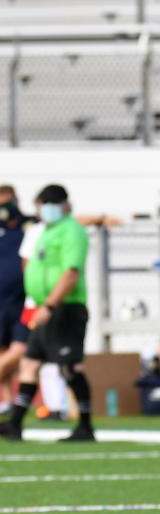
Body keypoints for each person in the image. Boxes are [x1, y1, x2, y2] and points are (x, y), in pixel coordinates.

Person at [0, 184, 95, 442]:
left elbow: (71, 272)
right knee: (30, 364)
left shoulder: (71, 231)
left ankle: (85, 425)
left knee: (70, 367)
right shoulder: (46, 231)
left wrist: (51, 305)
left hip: (64, 308)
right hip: (43, 308)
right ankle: (16, 423)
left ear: (63, 205)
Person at [0, 185, 35, 414]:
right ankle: (8, 402)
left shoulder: (29, 224)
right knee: (4, 350)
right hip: (1, 302)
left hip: (23, 299)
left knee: (21, 348)